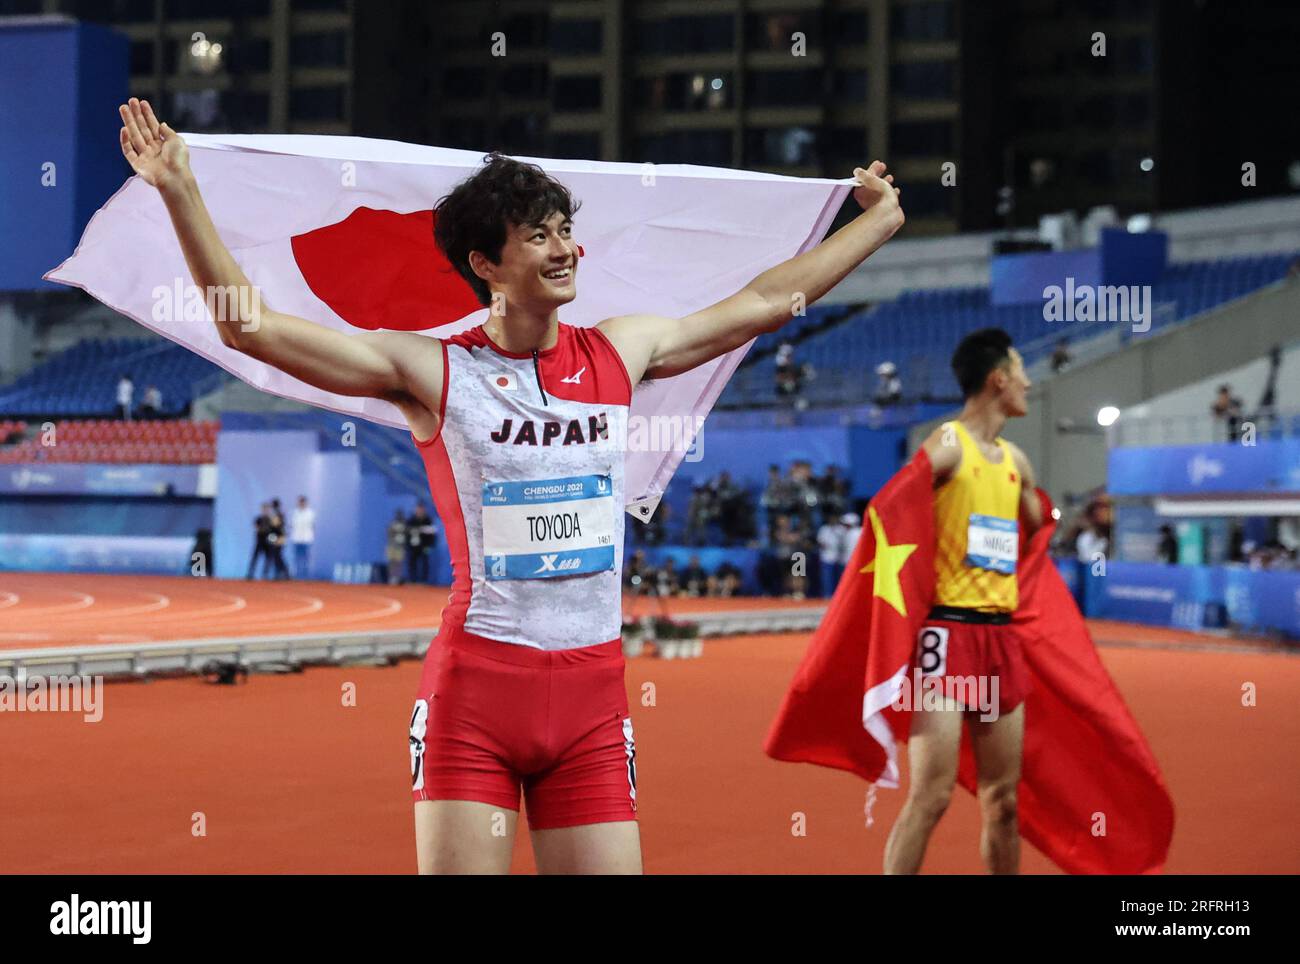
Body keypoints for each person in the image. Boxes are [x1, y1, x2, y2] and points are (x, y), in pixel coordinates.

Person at [118, 95, 904, 874]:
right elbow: (248, 327)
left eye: (565, 230)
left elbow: (766, 302)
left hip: (595, 705)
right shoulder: (432, 371)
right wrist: (182, 190)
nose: (563, 249)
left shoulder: (620, 353)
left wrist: (877, 223)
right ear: (486, 265)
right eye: (538, 236)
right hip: (477, 703)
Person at [884, 327, 1044, 875]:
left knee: (1004, 801)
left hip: (999, 638)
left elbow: (1039, 529)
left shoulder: (1017, 462)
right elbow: (897, 505)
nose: (1029, 382)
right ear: (998, 380)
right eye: (1021, 370)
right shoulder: (948, 443)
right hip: (947, 638)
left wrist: (1050, 518)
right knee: (931, 797)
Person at [406, 502, 435, 584]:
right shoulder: (411, 520)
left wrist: (430, 545)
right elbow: (407, 533)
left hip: (424, 546)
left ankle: (424, 580)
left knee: (425, 563)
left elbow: (431, 533)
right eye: (418, 509)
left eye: (421, 509)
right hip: (413, 546)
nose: (420, 511)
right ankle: (412, 580)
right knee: (412, 563)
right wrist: (408, 544)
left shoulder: (428, 520)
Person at [290, 495, 316, 579]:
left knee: (306, 558)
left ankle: (306, 575)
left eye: (303, 502)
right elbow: (291, 525)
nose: (301, 503)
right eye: (300, 502)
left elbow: (312, 525)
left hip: (306, 538)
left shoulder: (310, 513)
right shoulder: (294, 512)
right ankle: (296, 575)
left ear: (306, 503)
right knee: (296, 557)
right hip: (296, 538)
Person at [246, 502, 272, 580]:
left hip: (267, 542)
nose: (265, 510)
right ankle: (250, 574)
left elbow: (272, 531)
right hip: (259, 541)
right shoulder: (258, 519)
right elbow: (257, 528)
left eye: (267, 509)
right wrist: (263, 530)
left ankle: (265, 574)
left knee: (268, 558)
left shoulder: (270, 519)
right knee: (255, 558)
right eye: (264, 509)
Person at [267, 497, 290, 579]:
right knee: (276, 555)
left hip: (279, 537)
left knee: (278, 555)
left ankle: (284, 573)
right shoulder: (275, 514)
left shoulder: (278, 514)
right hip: (275, 536)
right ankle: (280, 573)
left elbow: (276, 526)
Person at [386, 510, 408, 585]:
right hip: (392, 545)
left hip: (400, 546)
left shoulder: (405, 525)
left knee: (398, 563)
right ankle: (392, 577)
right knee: (392, 562)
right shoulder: (392, 524)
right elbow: (389, 534)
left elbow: (407, 534)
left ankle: (397, 577)